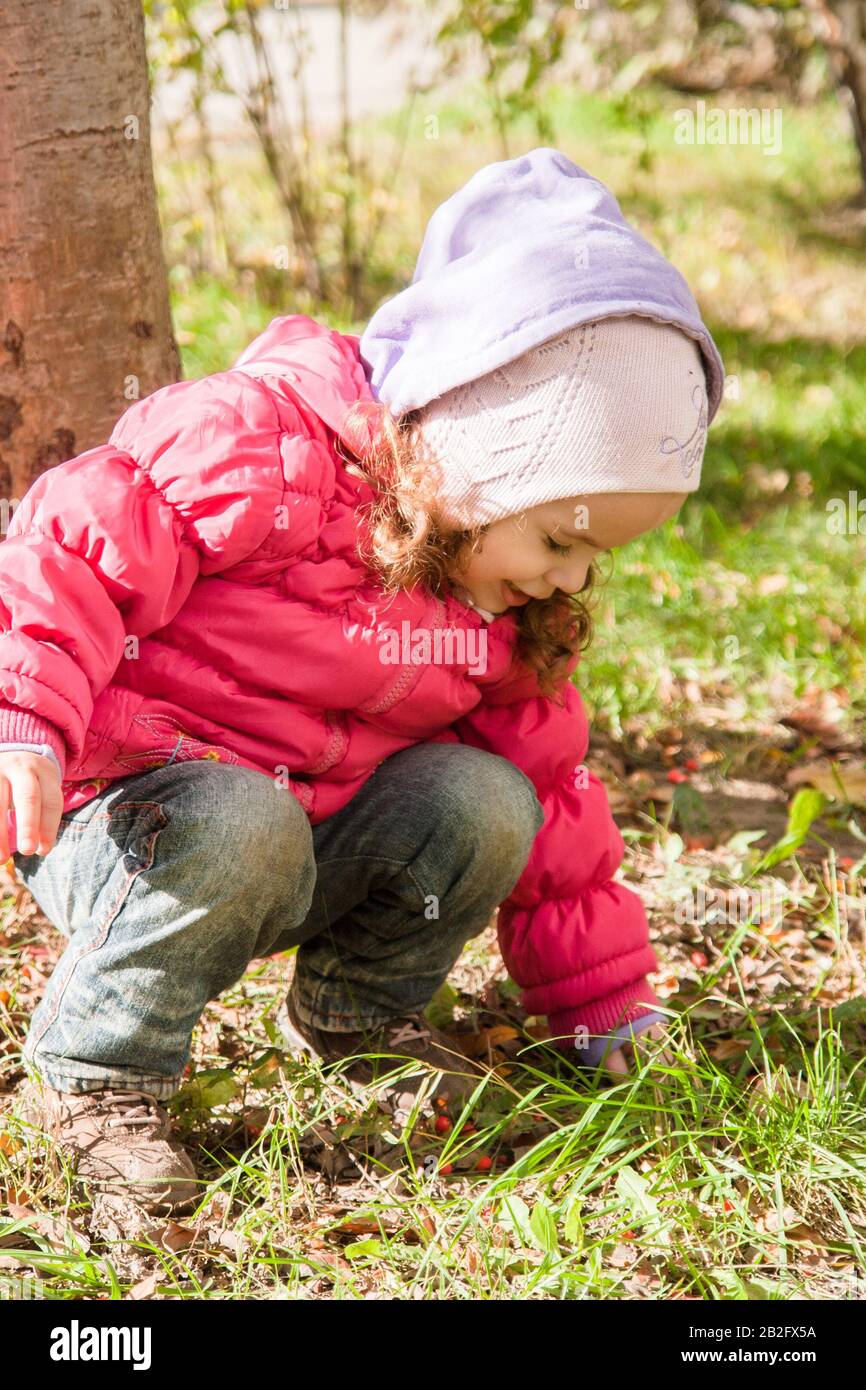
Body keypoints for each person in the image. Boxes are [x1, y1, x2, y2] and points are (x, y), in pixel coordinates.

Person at [0, 148, 724, 1212]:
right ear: (477, 452)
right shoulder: (260, 451)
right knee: (240, 820)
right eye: (558, 536)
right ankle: (100, 1074)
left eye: (594, 557)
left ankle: (360, 1019)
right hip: (129, 827)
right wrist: (24, 717)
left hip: (304, 840)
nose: (566, 577)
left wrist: (601, 1004)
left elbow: (559, 817)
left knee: (487, 798)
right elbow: (73, 550)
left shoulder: (498, 605)